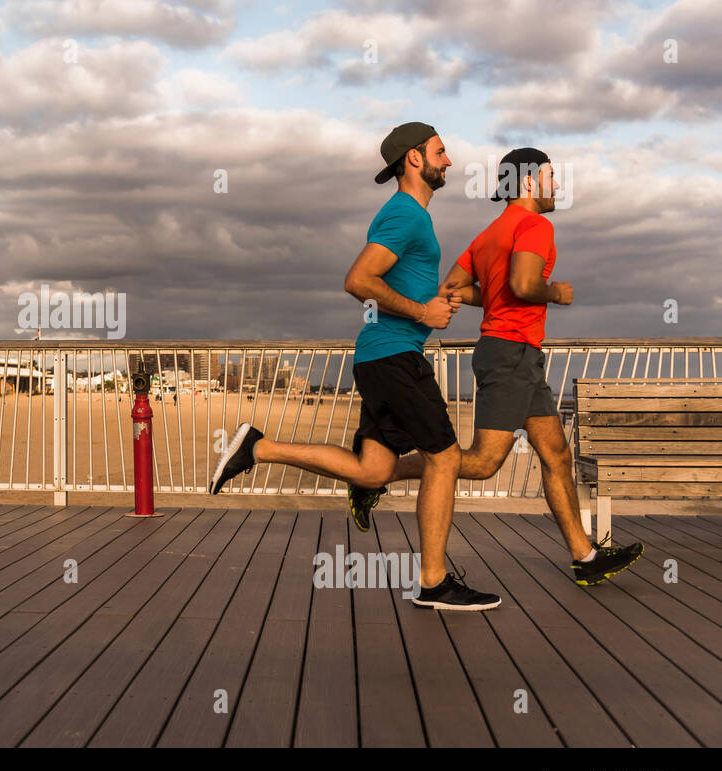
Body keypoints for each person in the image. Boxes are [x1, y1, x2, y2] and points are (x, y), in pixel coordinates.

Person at [209, 122, 500, 611]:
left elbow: (395, 285)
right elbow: (358, 279)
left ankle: (259, 448)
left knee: (372, 471)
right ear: (414, 158)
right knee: (445, 459)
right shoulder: (406, 215)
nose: (449, 161)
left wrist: (440, 301)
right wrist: (421, 313)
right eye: (441, 151)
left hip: (380, 357)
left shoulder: (411, 218)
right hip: (393, 357)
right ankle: (434, 582)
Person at [348, 148, 644, 586]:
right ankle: (378, 476)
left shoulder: (489, 234)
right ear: (528, 182)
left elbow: (449, 289)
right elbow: (525, 285)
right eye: (551, 176)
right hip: (510, 356)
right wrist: (553, 293)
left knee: (556, 454)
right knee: (484, 462)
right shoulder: (535, 225)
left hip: (518, 355)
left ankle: (586, 556)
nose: (557, 186)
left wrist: (500, 296)